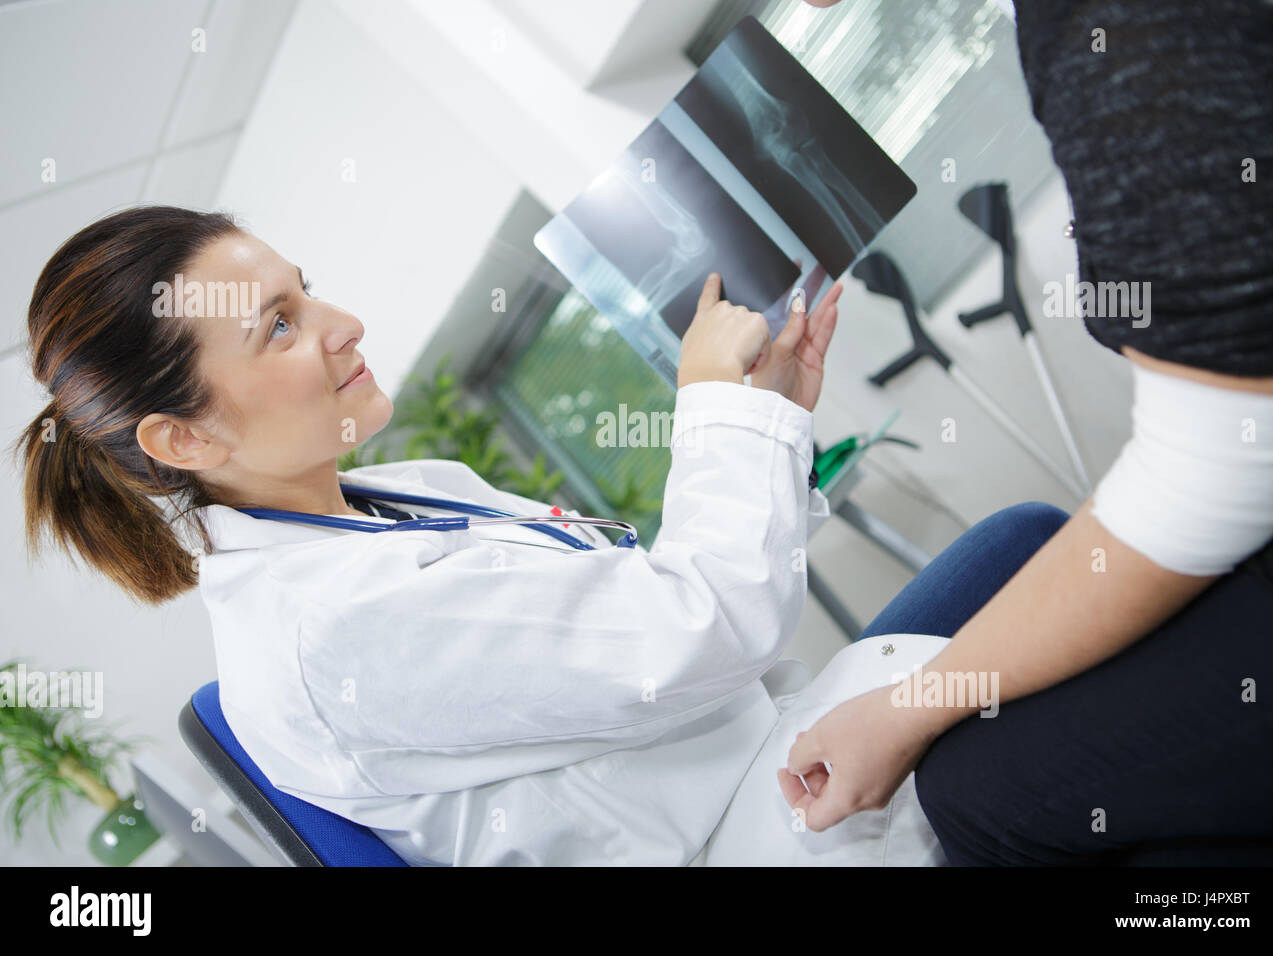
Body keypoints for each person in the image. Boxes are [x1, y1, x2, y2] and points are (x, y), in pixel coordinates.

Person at [18, 204, 957, 865]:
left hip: (771, 758)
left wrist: (771, 419)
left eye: (308, 293)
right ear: (185, 437)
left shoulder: (399, 496)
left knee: (1027, 599)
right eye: (279, 327)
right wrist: (717, 409)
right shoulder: (333, 628)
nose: (344, 326)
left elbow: (641, 605)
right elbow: (704, 628)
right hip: (749, 836)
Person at [785, 0, 1273, 864]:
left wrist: (907, 709)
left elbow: (1217, 481)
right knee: (1022, 538)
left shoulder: (1128, 48)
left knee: (979, 796)